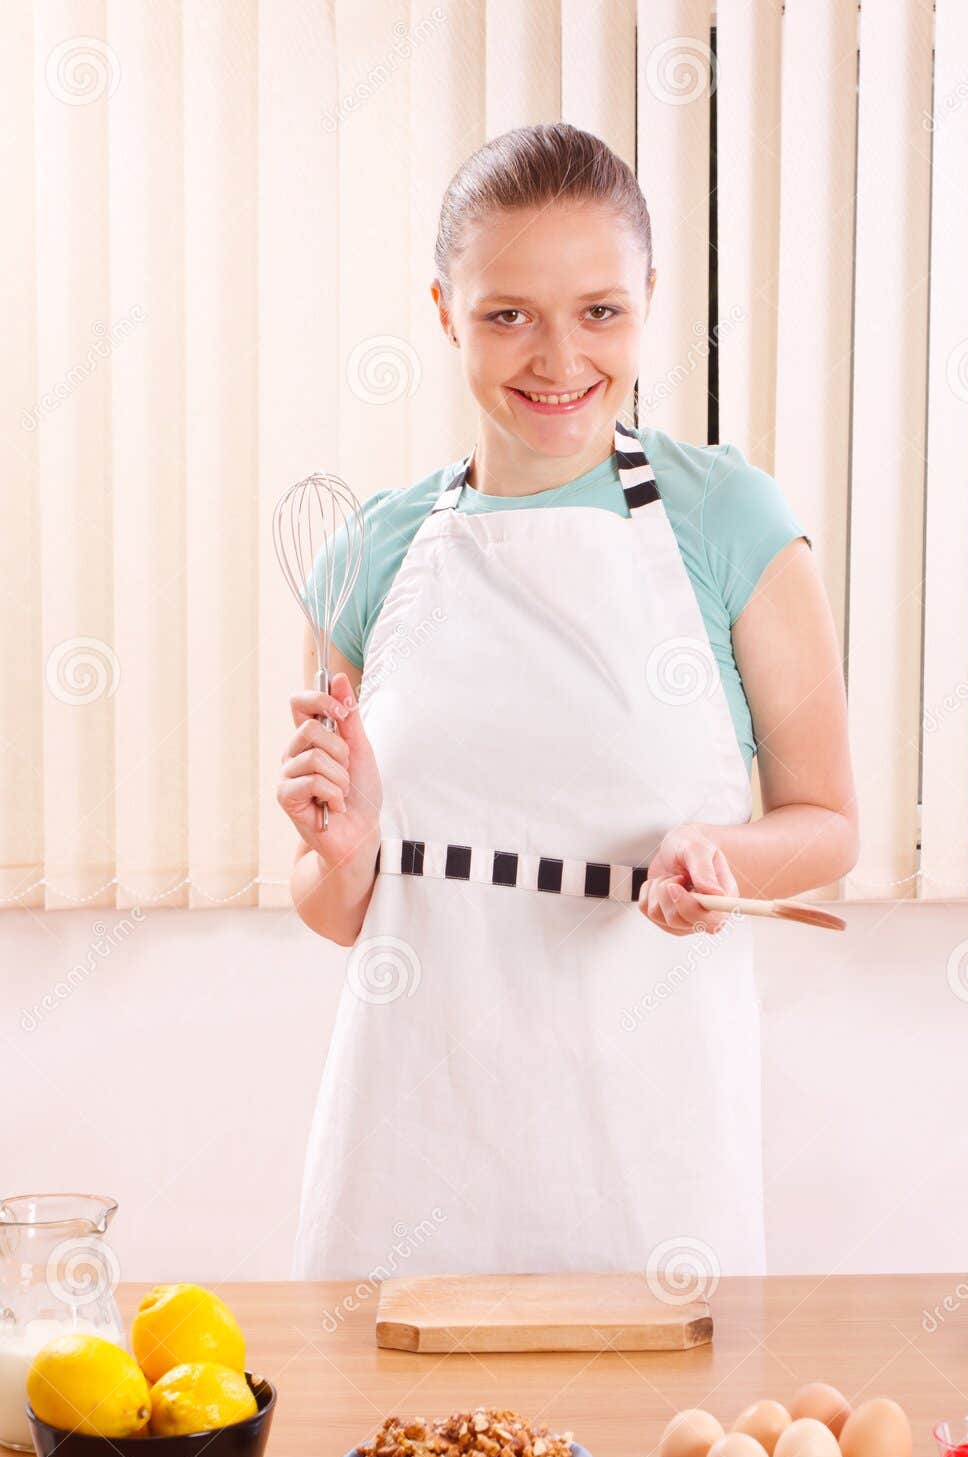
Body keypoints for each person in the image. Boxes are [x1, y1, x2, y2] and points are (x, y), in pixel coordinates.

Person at [279, 123, 857, 1283]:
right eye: (506, 314)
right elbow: (339, 908)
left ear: (647, 299)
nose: (557, 358)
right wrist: (338, 849)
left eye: (599, 310)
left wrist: (722, 855)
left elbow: (827, 822)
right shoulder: (363, 555)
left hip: (649, 1149)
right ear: (445, 310)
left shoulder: (727, 519)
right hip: (413, 1138)